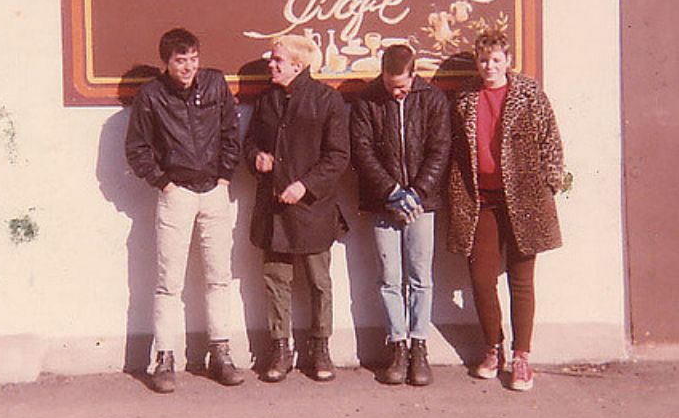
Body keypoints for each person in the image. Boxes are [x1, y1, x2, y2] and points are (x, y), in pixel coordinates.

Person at [125, 27, 243, 393]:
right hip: (176, 195)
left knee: (219, 277)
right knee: (168, 283)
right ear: (166, 62)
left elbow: (231, 132)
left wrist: (224, 177)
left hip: (214, 193)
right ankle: (164, 358)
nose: (189, 67)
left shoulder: (215, 84)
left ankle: (221, 353)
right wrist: (164, 183)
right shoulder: (151, 95)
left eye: (193, 58)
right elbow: (137, 148)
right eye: (180, 60)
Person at [447, 30, 564, 391]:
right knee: (482, 278)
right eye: (484, 60)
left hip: (524, 199)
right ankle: (492, 348)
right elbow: (456, 148)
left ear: (508, 61)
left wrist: (550, 181)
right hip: (482, 200)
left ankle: (522, 357)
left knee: (521, 280)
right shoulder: (465, 98)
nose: (490, 66)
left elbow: (550, 138)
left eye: (496, 59)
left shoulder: (528, 93)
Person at [244, 34, 350, 382]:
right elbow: (250, 142)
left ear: (298, 65)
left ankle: (320, 348)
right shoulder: (267, 100)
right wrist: (256, 157)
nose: (271, 64)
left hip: (312, 209)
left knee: (319, 282)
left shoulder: (327, 100)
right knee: (276, 281)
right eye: (272, 59)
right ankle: (280, 349)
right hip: (274, 209)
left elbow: (338, 156)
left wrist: (305, 186)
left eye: (278, 60)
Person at [350, 44, 451, 386]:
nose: (396, 92)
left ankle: (419, 344)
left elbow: (440, 148)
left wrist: (417, 192)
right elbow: (362, 150)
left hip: (421, 204)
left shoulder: (432, 99)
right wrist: (391, 191)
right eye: (390, 85)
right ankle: (397, 345)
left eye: (402, 86)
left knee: (420, 276)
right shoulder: (367, 101)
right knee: (389, 277)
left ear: (414, 74)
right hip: (384, 203)